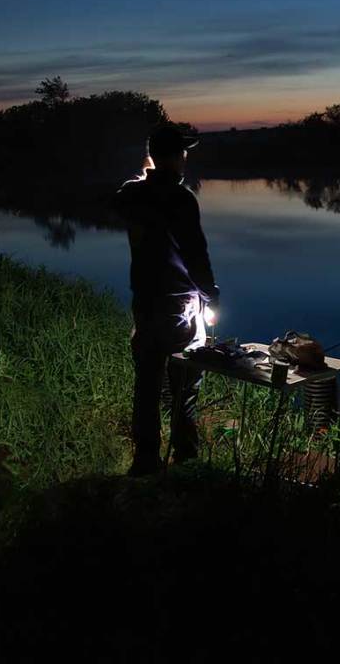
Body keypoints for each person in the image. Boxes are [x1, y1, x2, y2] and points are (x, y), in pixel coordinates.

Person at [112, 123, 219, 476]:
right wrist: (211, 293)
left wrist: (149, 175)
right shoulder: (182, 199)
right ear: (174, 157)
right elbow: (195, 255)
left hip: (144, 301)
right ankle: (185, 459)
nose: (186, 158)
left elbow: (123, 196)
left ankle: (146, 460)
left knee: (146, 384)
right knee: (185, 386)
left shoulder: (130, 194)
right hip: (180, 306)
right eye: (183, 153)